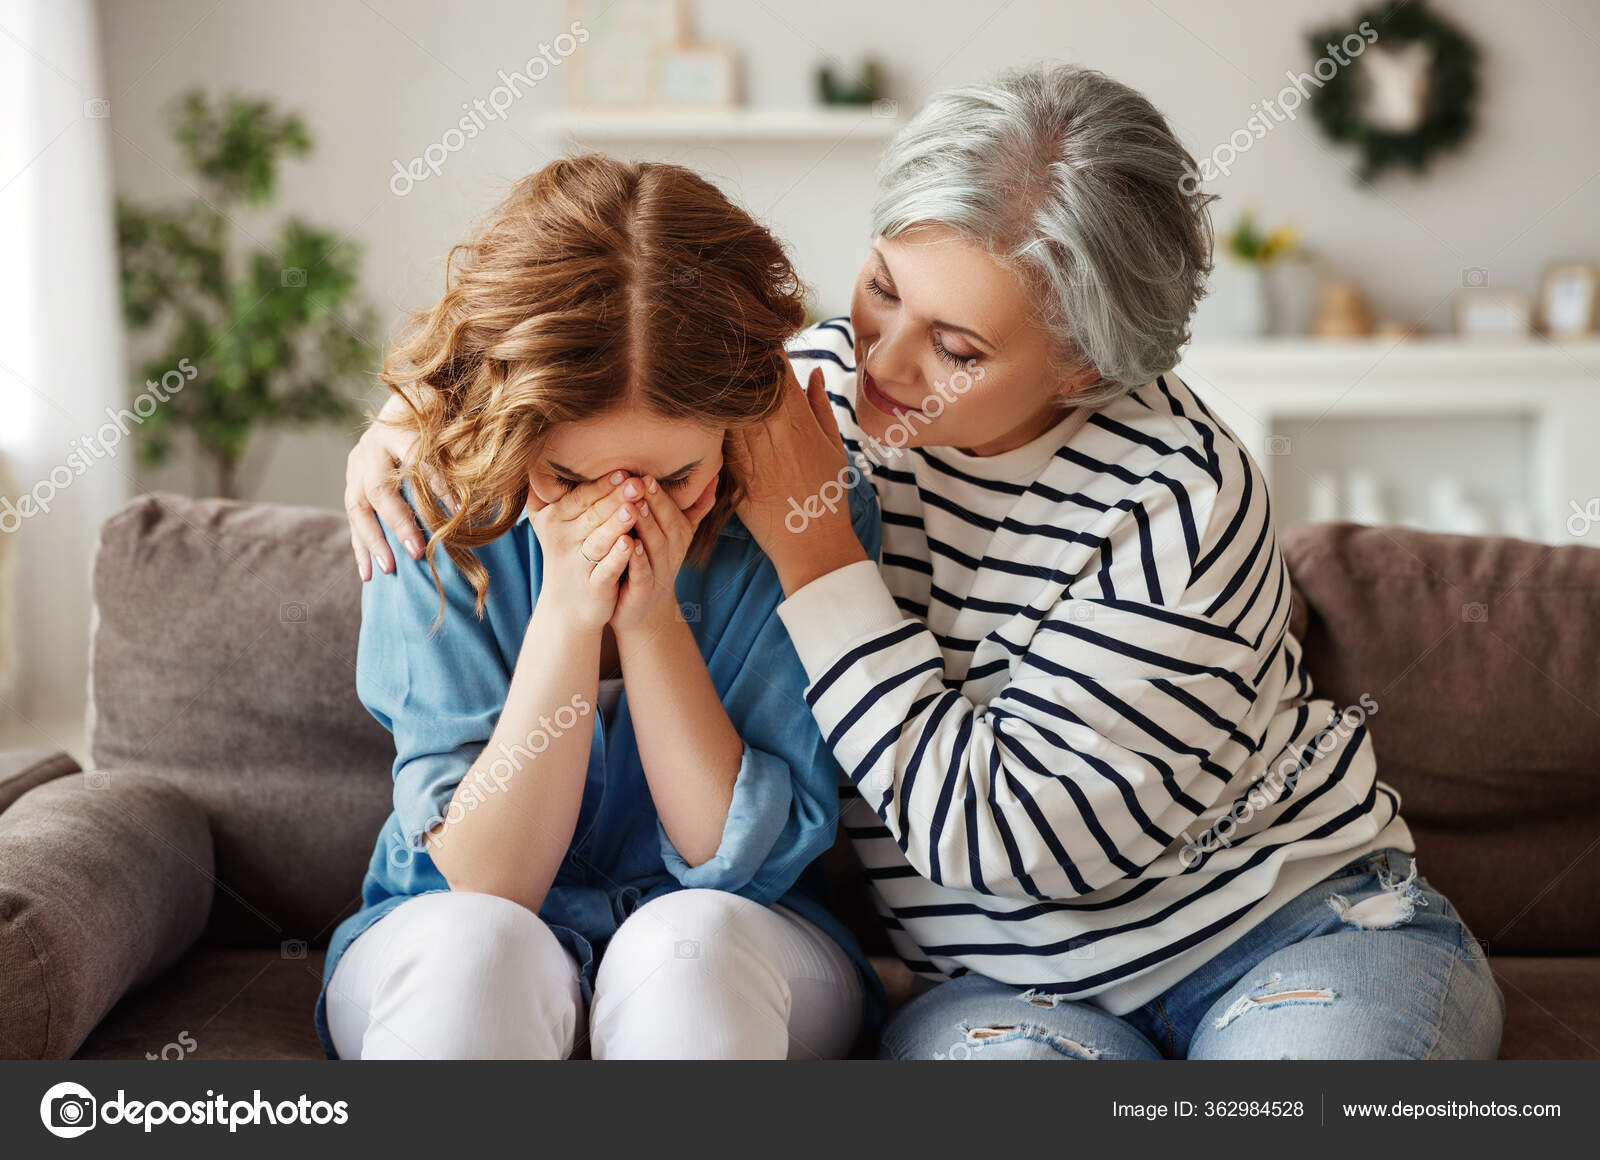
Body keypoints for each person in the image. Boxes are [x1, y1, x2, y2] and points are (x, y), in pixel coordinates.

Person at [344, 66, 1502, 1060]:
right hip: (1006, 992)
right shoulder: (814, 394)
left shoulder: (1176, 500)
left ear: (1083, 372)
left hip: (1281, 929)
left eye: (956, 346)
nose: (881, 366)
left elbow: (1021, 849)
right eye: (882, 288)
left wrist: (819, 556)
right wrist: (411, 417)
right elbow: (608, 344)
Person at [318, 154, 881, 1060]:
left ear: (733, 428)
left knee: (684, 946)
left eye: (674, 476)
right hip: (450, 922)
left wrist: (651, 622)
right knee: (478, 950)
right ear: (511, 423)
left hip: (738, 940)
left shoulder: (807, 508)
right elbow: (487, 879)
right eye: (570, 477)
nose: (624, 511)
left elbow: (733, 863)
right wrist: (570, 617)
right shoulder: (426, 507)